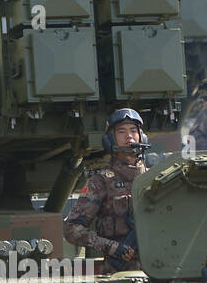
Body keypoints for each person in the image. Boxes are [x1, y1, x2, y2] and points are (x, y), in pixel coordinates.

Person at [63, 108, 148, 271]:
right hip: (117, 271)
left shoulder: (156, 180)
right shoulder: (100, 182)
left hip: (157, 269)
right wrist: (111, 247)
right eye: (121, 131)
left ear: (141, 136)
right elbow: (71, 229)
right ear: (110, 139)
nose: (129, 136)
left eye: (133, 130)